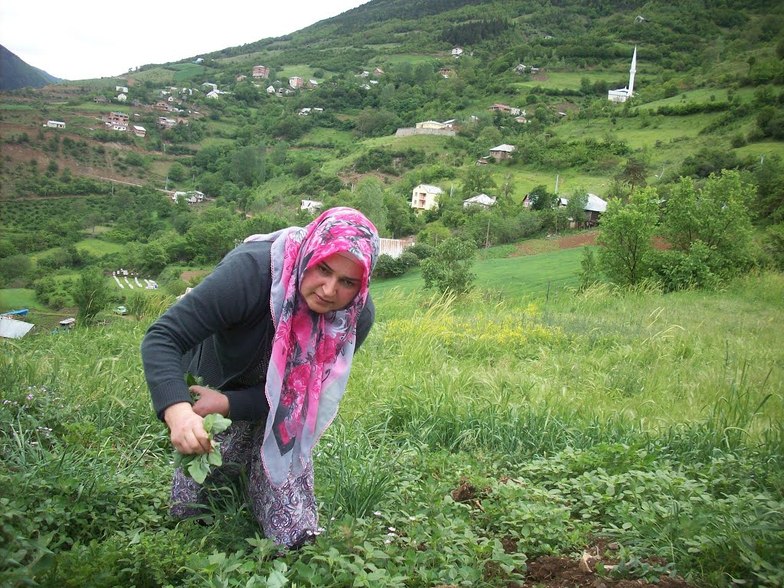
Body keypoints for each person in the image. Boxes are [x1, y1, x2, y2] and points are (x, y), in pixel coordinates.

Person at [141, 207, 379, 548]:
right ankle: (214, 493)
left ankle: (280, 519)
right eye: (323, 268)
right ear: (310, 254)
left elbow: (297, 399)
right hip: (217, 373)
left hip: (276, 400)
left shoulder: (354, 317)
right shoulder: (251, 272)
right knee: (196, 505)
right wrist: (177, 410)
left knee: (291, 528)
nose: (329, 290)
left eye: (347, 282)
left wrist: (232, 404)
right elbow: (162, 337)